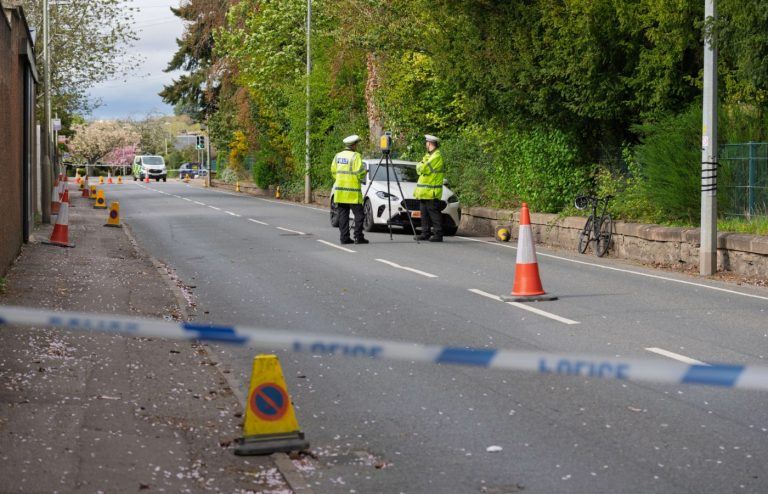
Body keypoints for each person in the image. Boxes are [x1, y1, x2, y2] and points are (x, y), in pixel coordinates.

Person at [331, 135, 369, 245]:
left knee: (343, 215)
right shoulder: (356, 156)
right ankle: (358, 237)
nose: (357, 146)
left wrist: (341, 180)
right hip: (352, 192)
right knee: (360, 215)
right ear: (353, 145)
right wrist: (364, 173)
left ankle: (344, 238)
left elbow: (333, 172)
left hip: (340, 191)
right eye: (356, 144)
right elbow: (360, 172)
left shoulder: (337, 156)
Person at [415, 134, 444, 242]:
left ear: (430, 143)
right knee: (424, 213)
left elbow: (423, 168)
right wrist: (421, 166)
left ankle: (438, 234)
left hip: (432, 191)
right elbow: (419, 167)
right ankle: (425, 233)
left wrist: (421, 166)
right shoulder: (428, 155)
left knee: (434, 213)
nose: (425, 144)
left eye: (426, 142)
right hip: (424, 191)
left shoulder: (436, 156)